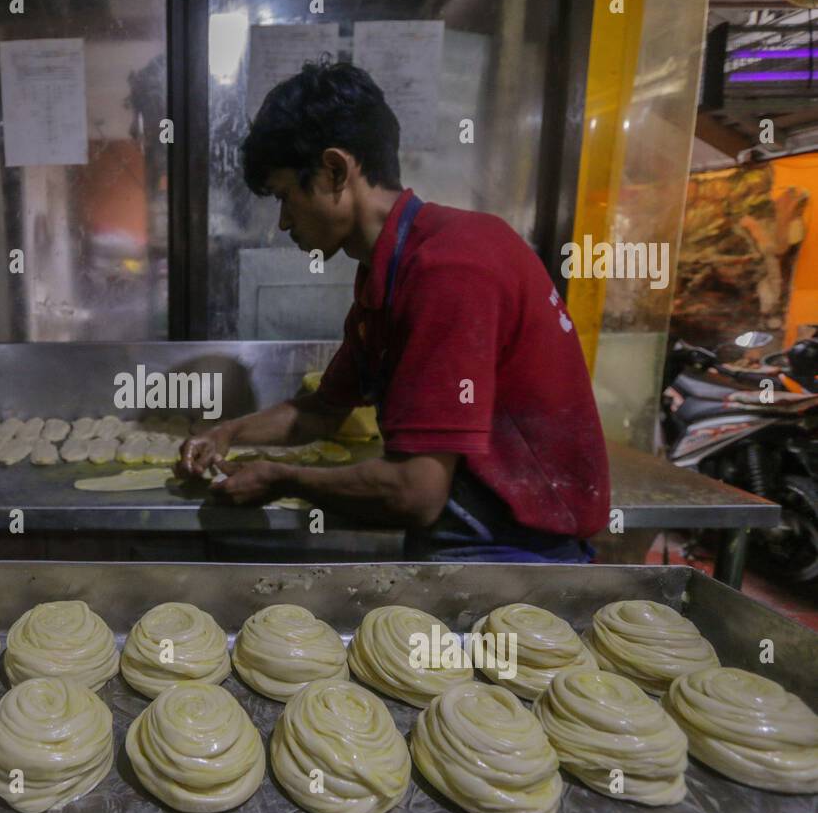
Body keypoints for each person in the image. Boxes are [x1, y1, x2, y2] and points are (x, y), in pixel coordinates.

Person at [177, 62, 609, 562]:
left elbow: (414, 492)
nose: (283, 222)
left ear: (336, 170)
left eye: (286, 197)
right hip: (467, 531)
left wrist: (283, 479)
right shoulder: (391, 269)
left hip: (515, 553)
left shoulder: (451, 268)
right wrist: (227, 431)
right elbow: (320, 412)